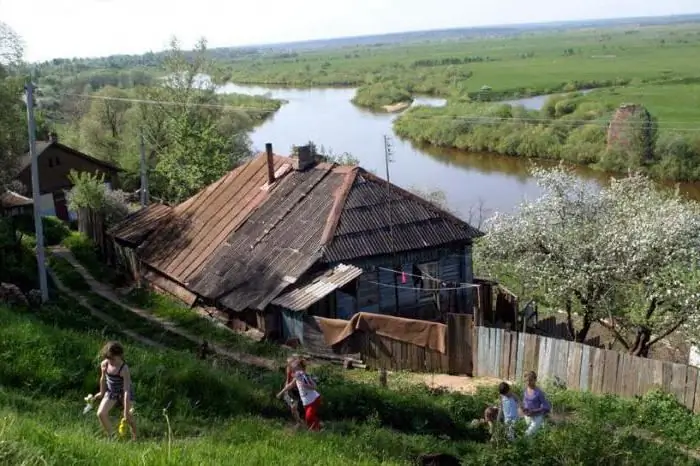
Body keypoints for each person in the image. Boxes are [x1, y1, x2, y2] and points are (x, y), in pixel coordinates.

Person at [93, 341, 137, 440]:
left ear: (120, 356)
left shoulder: (124, 368)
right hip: (111, 392)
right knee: (101, 413)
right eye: (108, 358)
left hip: (124, 393)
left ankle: (135, 436)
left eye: (113, 359)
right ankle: (112, 436)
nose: (110, 362)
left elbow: (126, 390)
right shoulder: (105, 364)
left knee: (128, 417)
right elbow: (103, 379)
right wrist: (101, 393)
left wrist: (126, 410)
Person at [277, 358, 322, 431]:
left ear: (302, 368)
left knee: (309, 417)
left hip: (314, 399)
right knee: (308, 418)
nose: (296, 371)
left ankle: (317, 429)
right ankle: (317, 427)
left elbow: (314, 386)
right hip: (306, 401)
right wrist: (281, 393)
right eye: (294, 370)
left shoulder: (306, 376)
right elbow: (290, 385)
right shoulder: (297, 377)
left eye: (297, 369)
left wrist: (306, 385)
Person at [521, 371, 550, 436]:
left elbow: (546, 407)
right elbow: (524, 402)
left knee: (527, 434)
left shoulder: (539, 392)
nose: (528, 383)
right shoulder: (525, 390)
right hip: (528, 416)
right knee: (532, 436)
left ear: (535, 380)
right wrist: (524, 409)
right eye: (526, 381)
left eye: (530, 380)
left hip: (537, 416)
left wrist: (534, 411)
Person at [282, 355, 304, 428]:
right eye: (287, 363)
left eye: (289, 363)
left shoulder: (298, 370)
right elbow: (288, 380)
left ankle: (300, 422)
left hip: (297, 391)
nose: (288, 364)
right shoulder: (288, 369)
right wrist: (286, 389)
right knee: (292, 406)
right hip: (291, 390)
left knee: (295, 407)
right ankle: (299, 422)